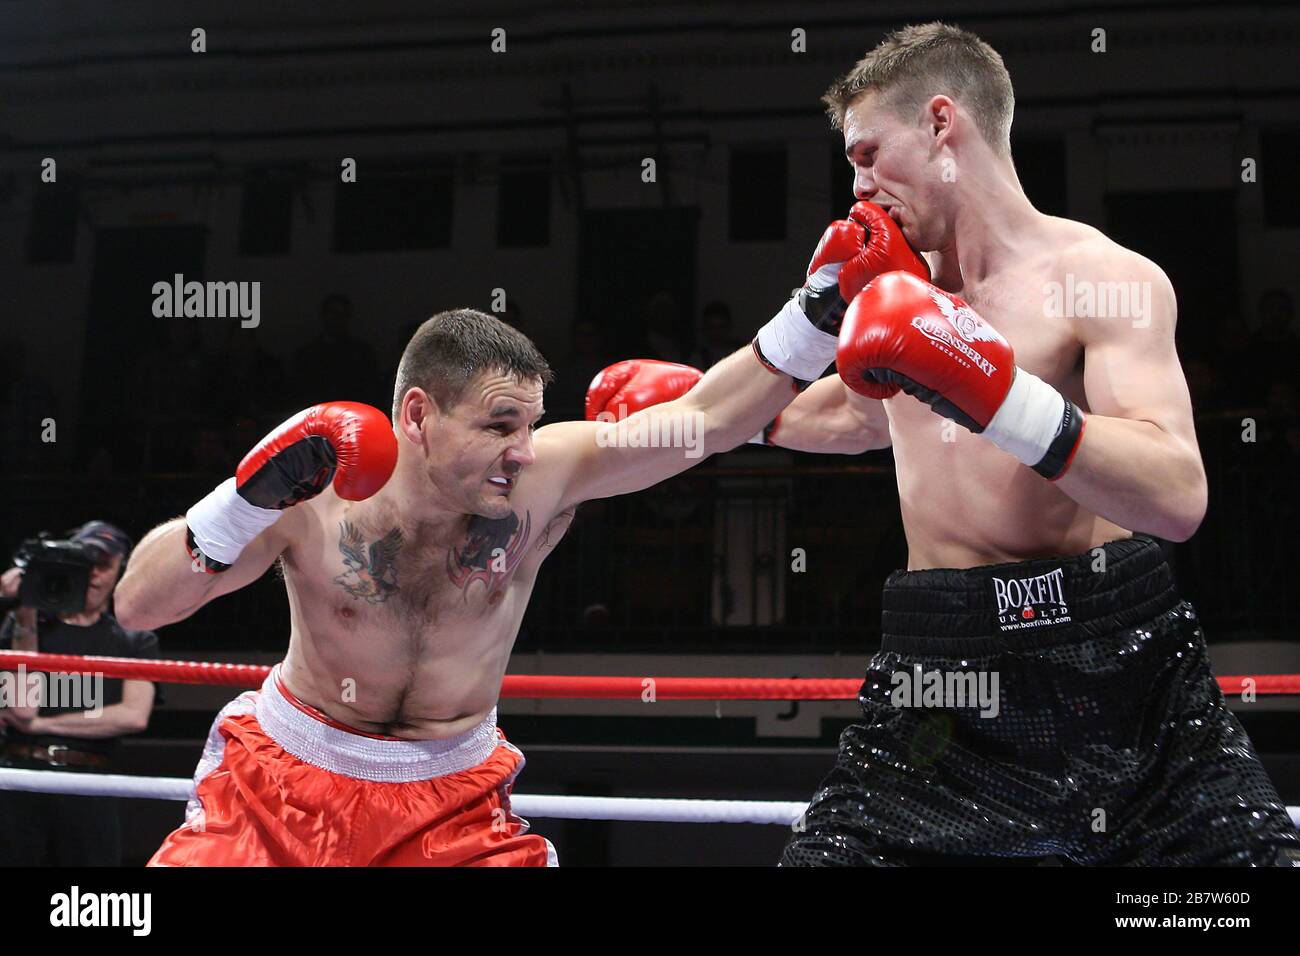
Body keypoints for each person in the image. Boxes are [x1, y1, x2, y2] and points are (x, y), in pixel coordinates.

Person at [118, 196, 925, 867]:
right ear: (418, 415)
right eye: (500, 425)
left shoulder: (546, 476)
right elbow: (139, 607)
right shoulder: (317, 492)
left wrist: (816, 309)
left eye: (532, 425)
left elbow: (707, 420)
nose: (524, 451)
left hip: (451, 804)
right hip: (282, 787)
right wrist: (242, 501)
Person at [750, 21, 1297, 865]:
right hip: (940, 683)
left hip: (1124, 675)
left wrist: (996, 393)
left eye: (868, 155)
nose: (857, 188)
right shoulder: (894, 294)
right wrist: (715, 414)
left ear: (942, 123)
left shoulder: (1103, 279)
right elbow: (859, 416)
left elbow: (1177, 494)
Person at [0, 521, 158, 865]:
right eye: (86, 561)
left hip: (88, 783)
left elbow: (133, 716)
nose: (94, 574)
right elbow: (22, 709)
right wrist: (25, 610)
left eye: (104, 564)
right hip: (20, 777)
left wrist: (42, 726)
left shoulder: (134, 639)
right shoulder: (26, 625)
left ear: (119, 571)